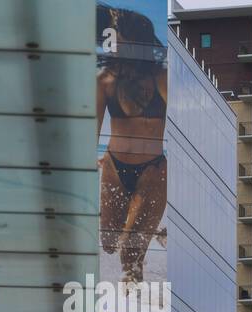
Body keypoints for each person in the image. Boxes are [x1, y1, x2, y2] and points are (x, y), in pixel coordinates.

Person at [96, 4, 168, 284]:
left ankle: (133, 299)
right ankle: (150, 229)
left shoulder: (160, 77)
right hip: (114, 166)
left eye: (116, 38)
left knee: (129, 253)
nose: (110, 44)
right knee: (109, 243)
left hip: (153, 170)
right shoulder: (105, 81)